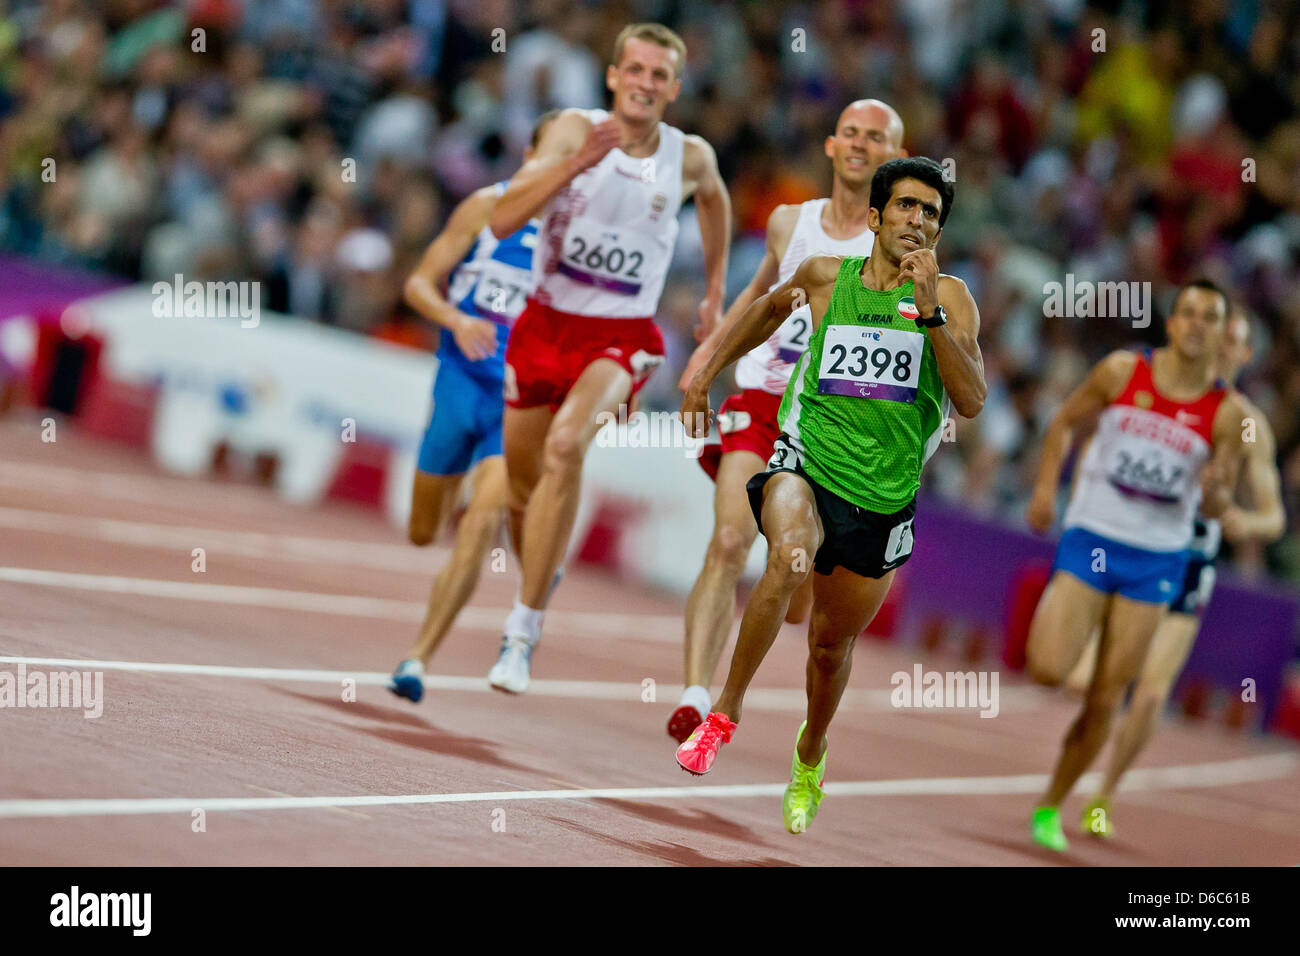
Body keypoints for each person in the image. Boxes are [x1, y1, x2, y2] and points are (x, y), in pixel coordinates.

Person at [676, 157, 985, 834]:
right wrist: (705, 375)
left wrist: (930, 314)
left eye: (931, 213)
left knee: (827, 647)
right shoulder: (825, 278)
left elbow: (970, 399)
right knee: (787, 555)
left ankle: (810, 752)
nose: (918, 220)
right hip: (806, 461)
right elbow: (764, 310)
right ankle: (722, 716)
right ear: (875, 218)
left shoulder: (952, 298)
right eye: (906, 206)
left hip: (881, 499)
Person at [484, 23, 731, 693]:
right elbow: (503, 220)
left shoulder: (691, 156)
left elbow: (714, 199)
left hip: (619, 336)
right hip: (544, 325)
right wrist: (575, 164)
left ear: (675, 89)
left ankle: (521, 633)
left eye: (661, 75)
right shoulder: (571, 130)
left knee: (568, 447)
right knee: (522, 491)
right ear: (614, 77)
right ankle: (541, 565)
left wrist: (713, 291)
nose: (647, 84)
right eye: (637, 70)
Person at [666, 100, 907, 743]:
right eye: (850, 134)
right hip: (763, 396)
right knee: (726, 541)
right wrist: (710, 355)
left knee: (797, 581)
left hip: (833, 423)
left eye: (875, 138)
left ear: (894, 157)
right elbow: (762, 296)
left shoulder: (895, 249)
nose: (859, 145)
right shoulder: (788, 221)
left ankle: (796, 584)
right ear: (831, 146)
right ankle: (696, 693)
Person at [1023, 279, 1251, 852]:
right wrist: (1046, 491)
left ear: (1222, 333)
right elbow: (1062, 422)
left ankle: (1051, 805)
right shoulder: (1123, 372)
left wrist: (1220, 493)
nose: (1198, 324)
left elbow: (1221, 500)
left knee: (1107, 696)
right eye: (1190, 313)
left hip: (1156, 559)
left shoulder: (1227, 413)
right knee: (1048, 668)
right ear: (1171, 325)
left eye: (1211, 317)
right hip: (1093, 537)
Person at [1063, 308, 1285, 838]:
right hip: (1129, 548)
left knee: (1153, 692)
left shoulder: (1247, 421)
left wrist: (1243, 519)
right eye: (1221, 335)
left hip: (1189, 563)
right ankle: (1078, 747)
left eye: (1237, 341)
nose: (1225, 346)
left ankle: (1104, 794)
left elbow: (1275, 516)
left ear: (1247, 355)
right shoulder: (1163, 389)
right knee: (1087, 682)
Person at [387, 113, 558, 702]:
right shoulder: (484, 208)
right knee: (421, 530)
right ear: (532, 150)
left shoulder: (575, 239)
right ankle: (496, 510)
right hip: (458, 384)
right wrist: (457, 319)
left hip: (515, 404)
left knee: (479, 525)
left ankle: (417, 660)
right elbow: (418, 284)